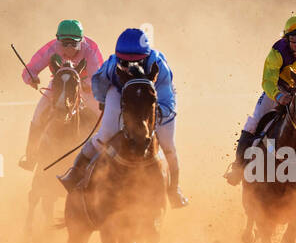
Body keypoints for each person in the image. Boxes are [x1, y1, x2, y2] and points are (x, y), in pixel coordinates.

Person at [57, 28, 187, 206]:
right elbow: (99, 85)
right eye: (125, 62)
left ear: (146, 57)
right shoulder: (112, 65)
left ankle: (174, 190)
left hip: (155, 98)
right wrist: (104, 101)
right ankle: (76, 172)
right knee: (105, 134)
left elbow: (166, 99)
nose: (130, 66)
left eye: (137, 61)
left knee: (168, 145)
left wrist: (154, 114)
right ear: (119, 57)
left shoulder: (159, 67)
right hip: (121, 92)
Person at [225, 15, 296, 196]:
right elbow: (267, 81)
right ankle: (238, 168)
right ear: (287, 38)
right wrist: (279, 96)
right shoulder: (277, 52)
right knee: (254, 122)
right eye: (295, 37)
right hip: (278, 90)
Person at [19, 19, 104, 169]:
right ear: (58, 40)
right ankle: (30, 157)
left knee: (102, 114)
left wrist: (88, 85)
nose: (69, 48)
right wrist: (31, 78)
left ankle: (107, 156)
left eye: (74, 43)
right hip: (60, 83)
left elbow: (99, 78)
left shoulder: (90, 49)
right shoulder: (51, 48)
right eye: (65, 43)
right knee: (38, 115)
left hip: (84, 85)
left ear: (81, 41)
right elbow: (29, 69)